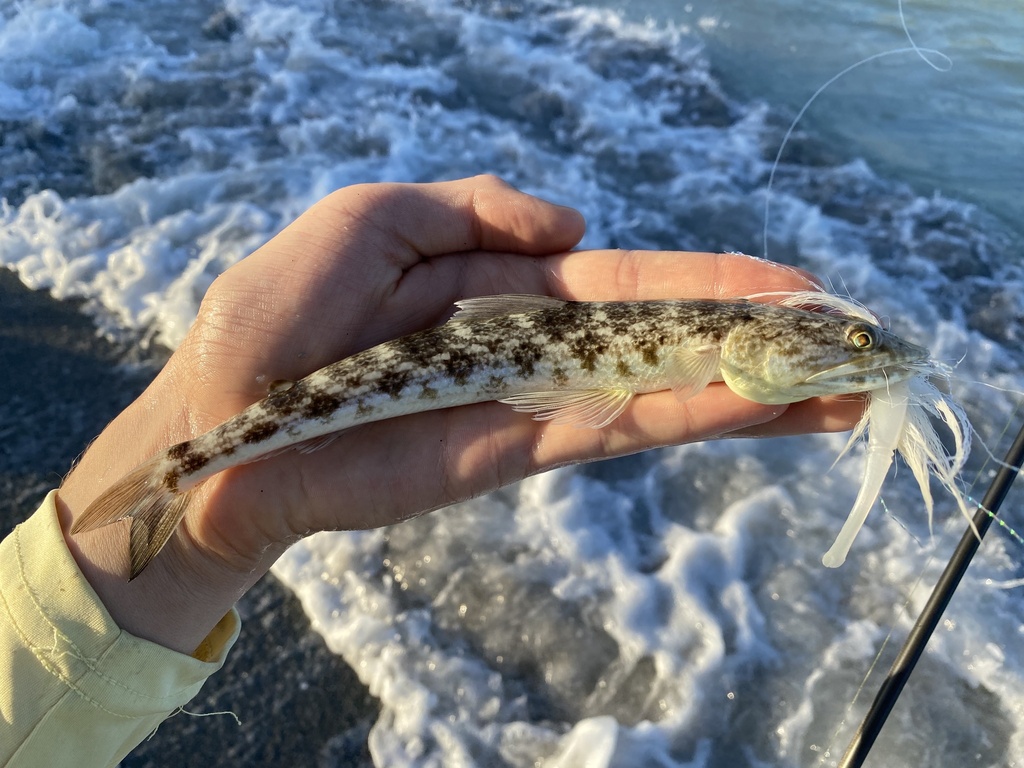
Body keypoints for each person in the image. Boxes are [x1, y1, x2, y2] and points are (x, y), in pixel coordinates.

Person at [0, 176, 860, 766]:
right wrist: (192, 427)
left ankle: (171, 481)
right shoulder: (732, 328)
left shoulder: (735, 337)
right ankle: (169, 482)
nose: (850, 354)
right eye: (850, 343)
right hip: (343, 398)